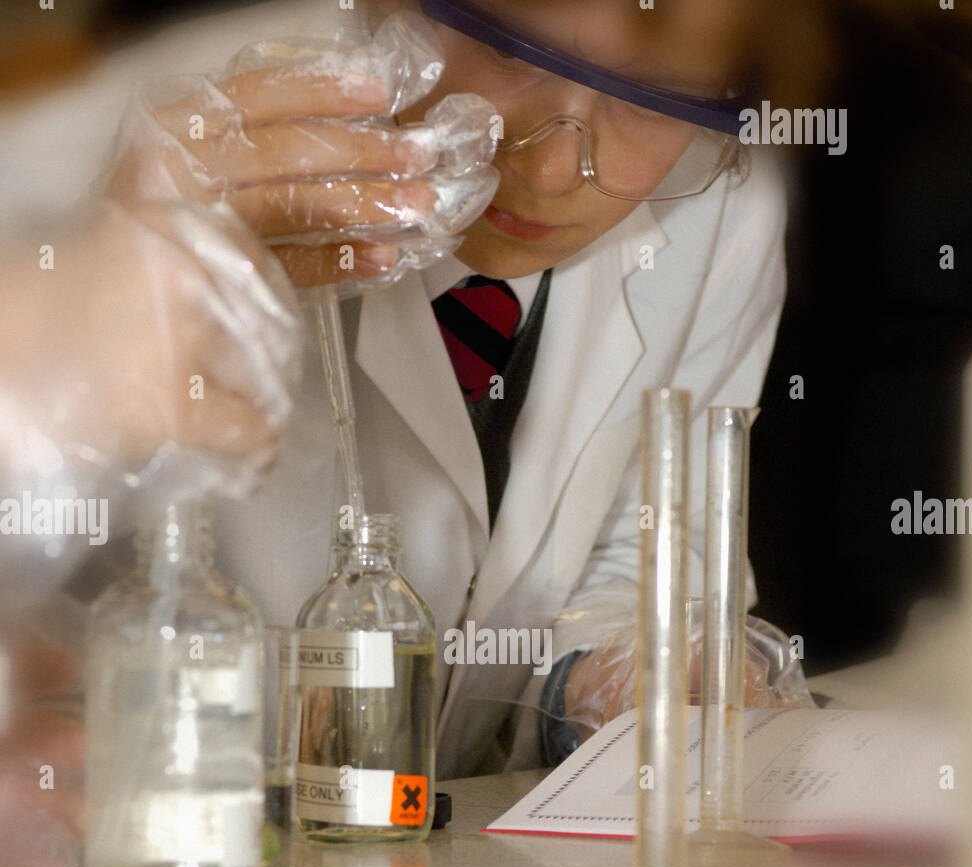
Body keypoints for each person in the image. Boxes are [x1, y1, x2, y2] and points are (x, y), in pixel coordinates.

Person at [2, 0, 789, 788]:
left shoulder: (719, 205)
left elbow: (649, 537)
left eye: (647, 92)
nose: (551, 171)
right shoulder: (173, 124)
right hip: (140, 839)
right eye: (511, 55)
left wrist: (602, 675)